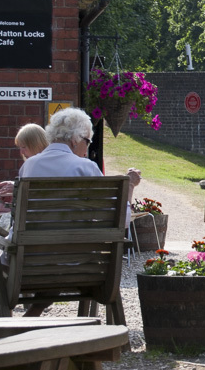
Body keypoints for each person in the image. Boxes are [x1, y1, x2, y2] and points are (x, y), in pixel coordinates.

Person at [9, 107, 140, 316]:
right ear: (75, 139)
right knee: (62, 252)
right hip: (79, 265)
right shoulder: (87, 168)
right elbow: (122, 221)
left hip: (29, 264)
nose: (87, 149)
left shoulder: (29, 166)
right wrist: (130, 186)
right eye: (87, 141)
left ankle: (0, 324)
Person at [0, 123, 48, 222]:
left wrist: (17, 188)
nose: (21, 152)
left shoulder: (32, 165)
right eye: (20, 147)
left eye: (24, 147)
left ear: (36, 144)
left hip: (32, 224)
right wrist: (15, 191)